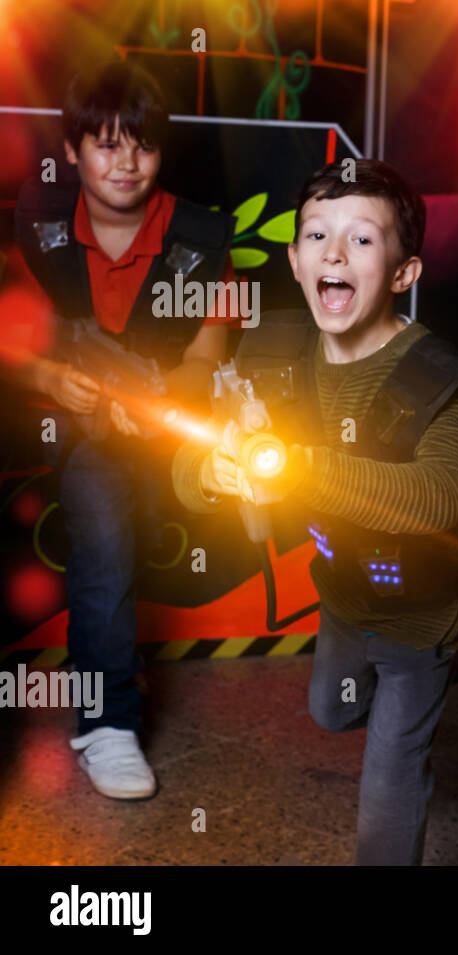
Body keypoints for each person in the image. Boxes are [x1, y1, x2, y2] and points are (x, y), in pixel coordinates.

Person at [172, 159, 458, 865]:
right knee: (331, 709)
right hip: (345, 595)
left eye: (361, 240)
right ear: (294, 261)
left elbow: (441, 496)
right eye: (317, 235)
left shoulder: (436, 377)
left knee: (388, 781)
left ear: (403, 273)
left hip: (424, 612)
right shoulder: (271, 350)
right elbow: (185, 466)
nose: (333, 252)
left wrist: (299, 467)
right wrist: (211, 468)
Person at [11, 62, 236, 800]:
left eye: (140, 144)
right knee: (104, 531)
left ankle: (110, 720)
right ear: (72, 151)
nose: (124, 162)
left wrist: (162, 400)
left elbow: (208, 353)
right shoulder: (38, 220)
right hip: (66, 423)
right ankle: (105, 723)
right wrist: (53, 382)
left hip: (170, 424)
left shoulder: (201, 237)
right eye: (104, 145)